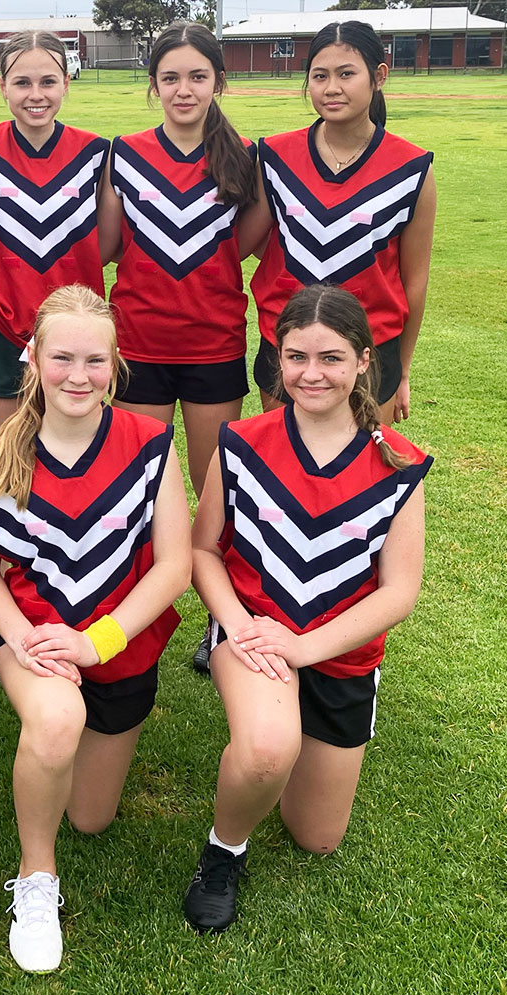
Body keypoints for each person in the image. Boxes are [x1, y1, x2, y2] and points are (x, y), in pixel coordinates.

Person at [181, 284, 431, 934]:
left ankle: (287, 739)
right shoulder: (240, 443)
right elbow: (203, 551)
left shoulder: (399, 466)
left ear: (362, 362)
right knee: (267, 750)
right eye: (296, 357)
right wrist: (235, 628)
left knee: (316, 834)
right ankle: (224, 849)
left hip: (338, 657)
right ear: (277, 360)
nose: (311, 373)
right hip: (253, 633)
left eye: (330, 357)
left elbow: (398, 592)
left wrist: (303, 648)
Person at [0, 285, 191, 972]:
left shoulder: (150, 444)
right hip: (34, 635)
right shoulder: (3, 449)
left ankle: (72, 737)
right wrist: (23, 638)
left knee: (91, 816)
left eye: (96, 360)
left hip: (117, 647)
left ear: (116, 365)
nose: (78, 376)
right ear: (31, 358)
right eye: (61, 357)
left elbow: (175, 565)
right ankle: (37, 877)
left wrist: (99, 641)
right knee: (57, 722)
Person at [0, 29, 110, 679]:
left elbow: (104, 243)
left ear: (66, 84)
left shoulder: (95, 154)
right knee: (5, 476)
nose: (35, 93)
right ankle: (3, 627)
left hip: (72, 336)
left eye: (48, 80)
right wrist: (6, 297)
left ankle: (64, 604)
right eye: (22, 81)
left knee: (68, 469)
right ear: (1, 86)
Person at [98, 20, 270, 497]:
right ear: (154, 84)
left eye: (198, 76)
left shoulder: (244, 157)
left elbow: (241, 248)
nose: (184, 90)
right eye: (170, 78)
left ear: (218, 79)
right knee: (141, 487)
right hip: (137, 344)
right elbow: (109, 247)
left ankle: (211, 572)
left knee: (213, 486)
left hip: (214, 343)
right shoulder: (124, 153)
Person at [251, 20, 437, 427]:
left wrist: (403, 369)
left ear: (379, 76)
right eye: (320, 76)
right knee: (286, 474)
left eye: (346, 74)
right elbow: (248, 239)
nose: (331, 88)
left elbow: (414, 281)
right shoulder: (275, 156)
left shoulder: (412, 167)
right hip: (287, 345)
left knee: (363, 480)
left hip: (371, 352)